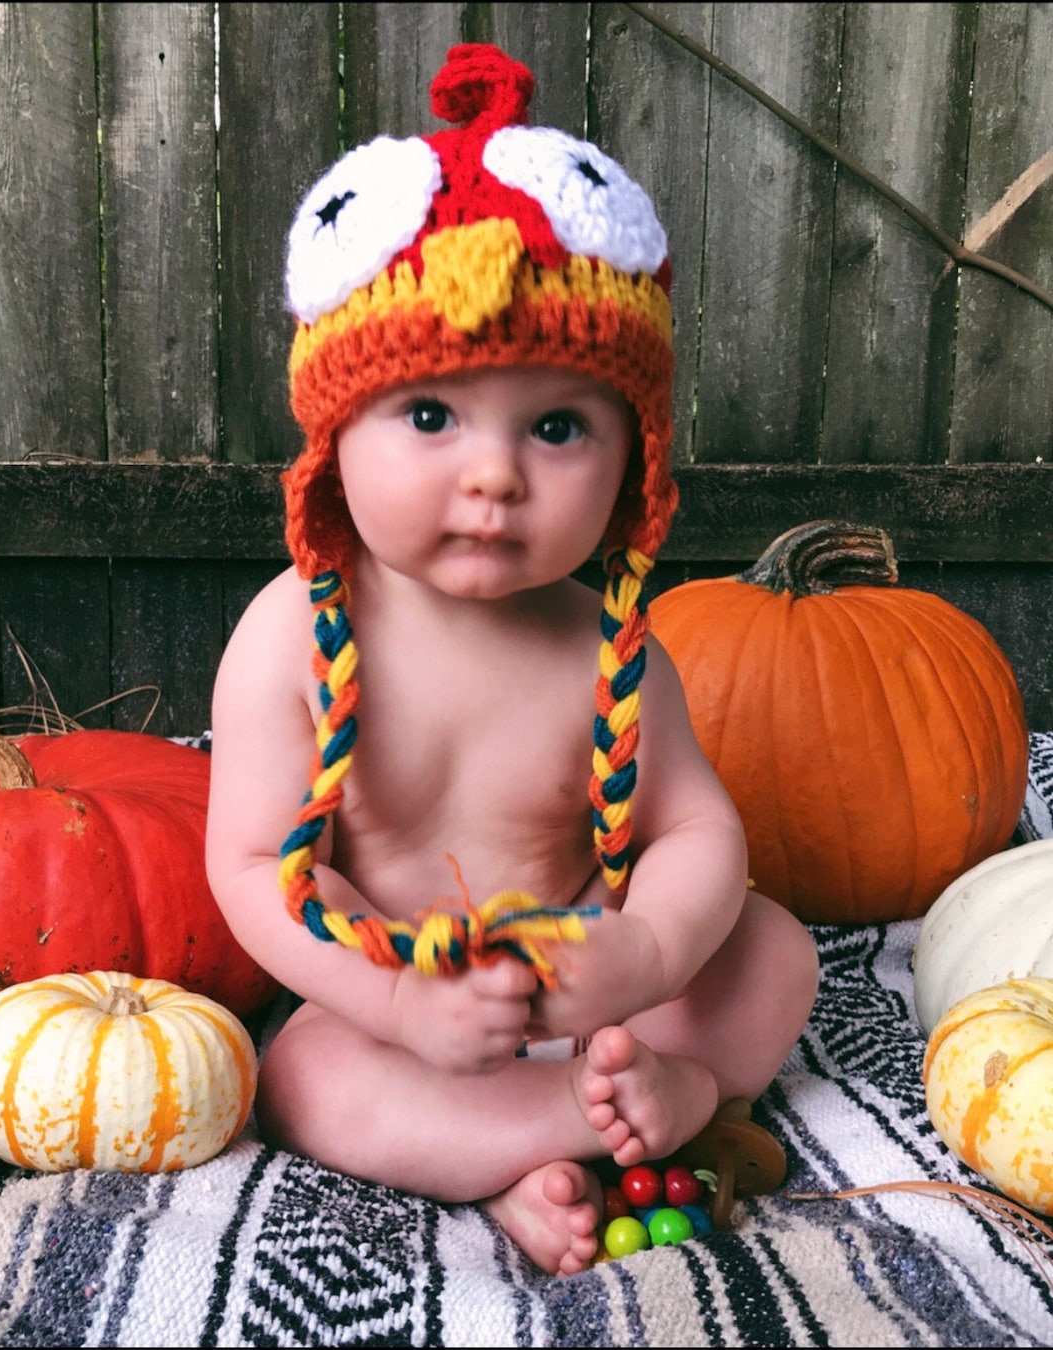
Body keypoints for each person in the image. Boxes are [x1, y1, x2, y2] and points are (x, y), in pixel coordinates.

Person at [205, 42, 820, 1277]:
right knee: (306, 1078)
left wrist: (643, 952)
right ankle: (631, 1118)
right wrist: (395, 1005)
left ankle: (581, 1126)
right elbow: (258, 862)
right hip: (400, 999)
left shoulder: (613, 653)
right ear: (334, 438)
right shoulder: (294, 633)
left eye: (555, 426)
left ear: (632, 459)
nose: (493, 475)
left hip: (595, 998)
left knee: (773, 957)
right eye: (430, 417)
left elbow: (698, 834)